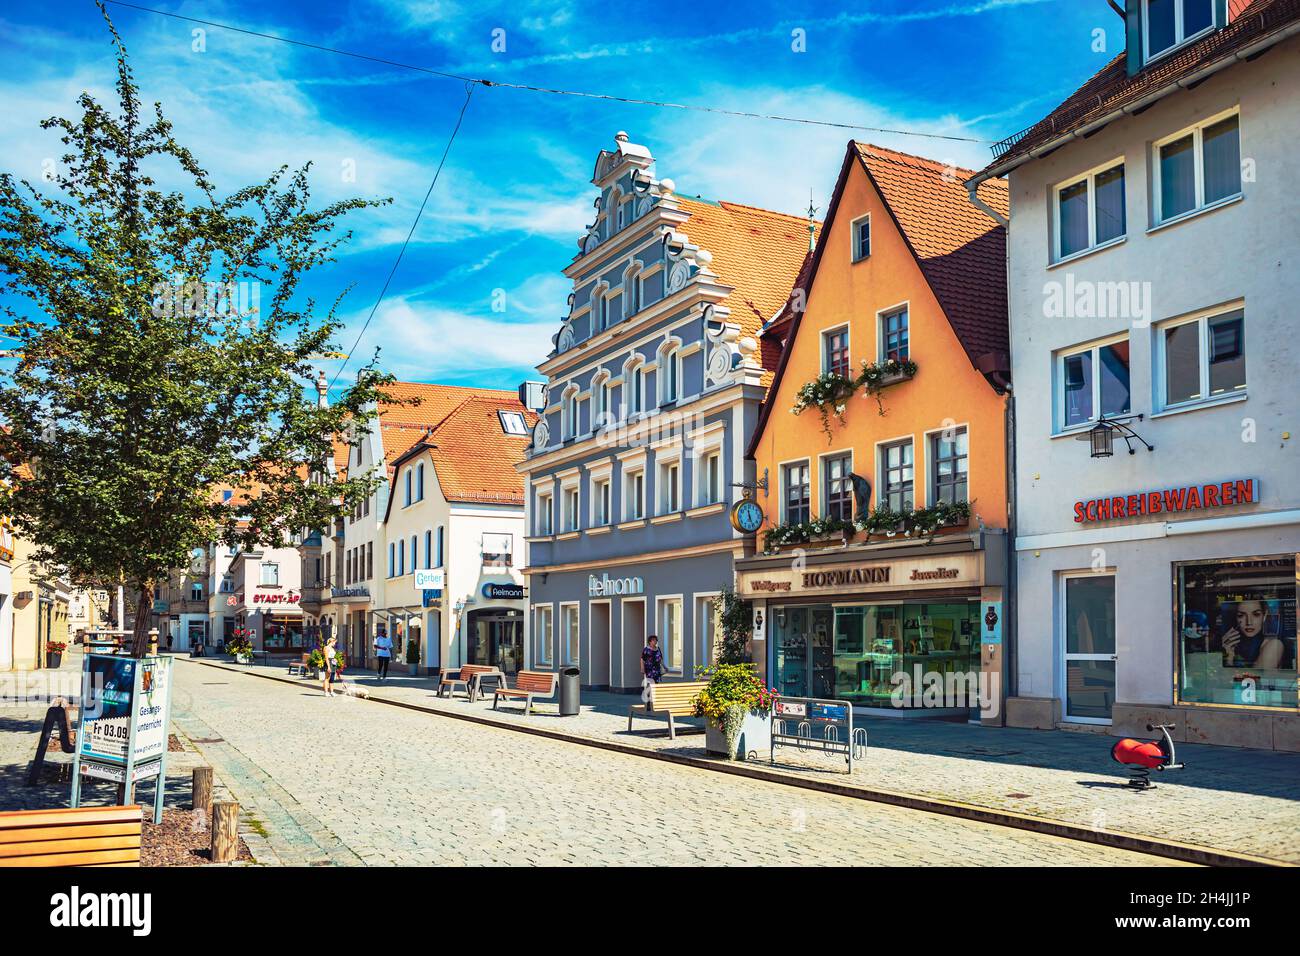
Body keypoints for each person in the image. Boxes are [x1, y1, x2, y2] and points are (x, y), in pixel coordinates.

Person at [1221, 600, 1285, 669]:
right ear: (1235, 617)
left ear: (1264, 615)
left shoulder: (1274, 645)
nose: (1249, 622)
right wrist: (1229, 657)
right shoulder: (1235, 644)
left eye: (1256, 614)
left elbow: (1254, 678)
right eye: (1241, 615)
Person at [640, 634, 663, 701]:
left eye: (656, 640)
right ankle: (648, 701)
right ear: (649, 641)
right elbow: (642, 659)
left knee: (655, 686)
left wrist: (664, 667)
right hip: (649, 670)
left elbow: (660, 659)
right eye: (653, 640)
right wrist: (642, 668)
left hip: (657, 670)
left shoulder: (658, 649)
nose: (655, 641)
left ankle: (653, 701)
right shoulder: (646, 649)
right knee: (651, 685)